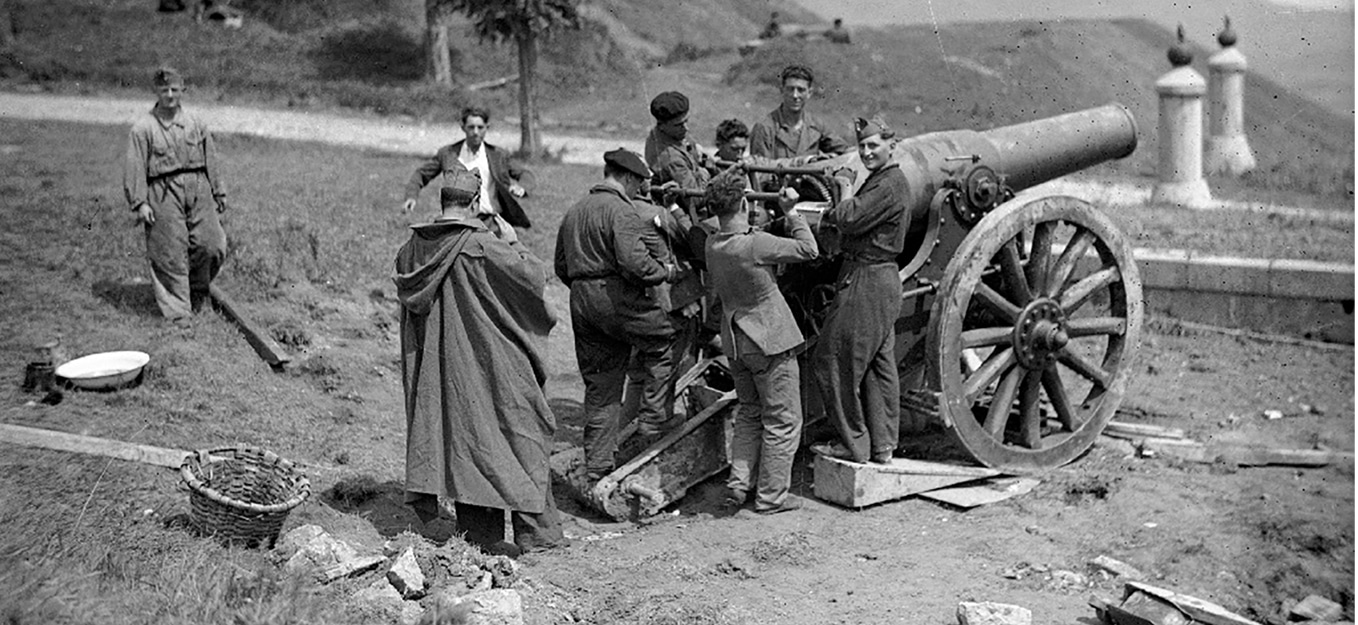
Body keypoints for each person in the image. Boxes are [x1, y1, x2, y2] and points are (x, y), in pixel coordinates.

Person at [396, 165, 565, 556]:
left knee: (466, 443)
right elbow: (532, 282)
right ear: (474, 202)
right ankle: (539, 537)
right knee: (527, 434)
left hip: (445, 371)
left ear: (443, 201)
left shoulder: (411, 250)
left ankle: (480, 538)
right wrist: (515, 241)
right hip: (494, 363)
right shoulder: (484, 246)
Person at [555, 149, 681, 482]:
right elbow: (635, 263)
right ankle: (653, 421)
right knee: (665, 337)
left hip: (580, 300)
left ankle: (597, 465)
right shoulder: (621, 210)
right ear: (626, 178)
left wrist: (585, 287)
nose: (641, 189)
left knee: (601, 385)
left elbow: (560, 266)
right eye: (639, 183)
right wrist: (664, 272)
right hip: (613, 296)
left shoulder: (575, 210)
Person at [703, 170, 818, 514]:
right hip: (770, 342)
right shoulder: (755, 244)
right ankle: (770, 499)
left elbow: (745, 236)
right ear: (743, 202)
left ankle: (738, 486)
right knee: (783, 421)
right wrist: (792, 212)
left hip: (737, 344)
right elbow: (809, 249)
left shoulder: (713, 243)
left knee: (751, 414)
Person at [810, 116, 909, 465]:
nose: (866, 152)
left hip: (867, 280)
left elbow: (850, 218)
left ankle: (853, 444)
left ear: (891, 146)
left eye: (873, 146)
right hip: (879, 280)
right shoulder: (884, 180)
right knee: (879, 367)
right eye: (862, 147)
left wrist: (846, 186)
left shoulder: (888, 184)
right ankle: (882, 446)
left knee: (833, 361)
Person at [122, 67, 228, 323]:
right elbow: (135, 166)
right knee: (169, 251)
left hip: (198, 186)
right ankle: (178, 313)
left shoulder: (196, 124)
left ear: (183, 91)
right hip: (162, 191)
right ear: (156, 92)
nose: (169, 95)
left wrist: (218, 190)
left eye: (175, 90)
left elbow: (211, 158)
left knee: (211, 245)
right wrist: (140, 203)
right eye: (164, 90)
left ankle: (197, 287)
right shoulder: (143, 128)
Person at [403, 106, 535, 230]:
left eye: (480, 127)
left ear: (487, 127)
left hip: (491, 224)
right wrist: (411, 196)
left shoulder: (498, 155)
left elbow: (525, 174)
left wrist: (521, 187)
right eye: (471, 127)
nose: (476, 132)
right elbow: (421, 174)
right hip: (458, 224)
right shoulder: (448, 153)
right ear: (463, 128)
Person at [749, 65, 851, 161]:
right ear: (782, 90)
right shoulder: (765, 128)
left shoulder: (816, 125)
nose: (795, 95)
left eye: (801, 90)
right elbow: (759, 170)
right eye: (790, 89)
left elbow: (845, 151)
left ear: (809, 93)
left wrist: (829, 159)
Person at [644, 91, 715, 196]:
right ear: (662, 125)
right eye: (679, 125)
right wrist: (705, 172)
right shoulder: (671, 158)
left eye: (687, 121)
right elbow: (696, 199)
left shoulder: (672, 134)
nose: (686, 128)